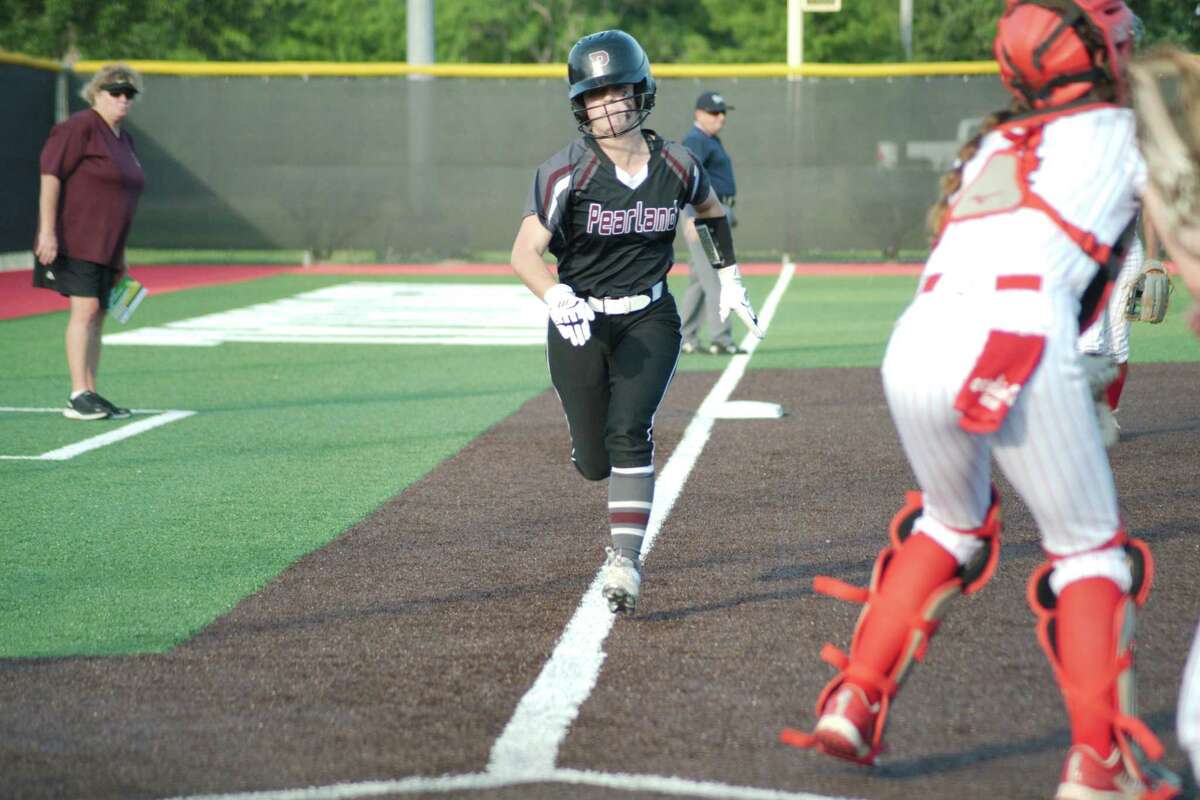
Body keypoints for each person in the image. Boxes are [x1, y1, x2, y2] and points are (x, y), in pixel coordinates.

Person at [779, 2, 1197, 797]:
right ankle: (1100, 764)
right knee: (1087, 553)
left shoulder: (994, 139)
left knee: (951, 522)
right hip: (1020, 340)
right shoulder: (1127, 126)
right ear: (1101, 47)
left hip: (918, 339)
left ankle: (854, 699)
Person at [509, 30, 762, 615]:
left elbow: (710, 209)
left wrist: (728, 277)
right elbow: (524, 253)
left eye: (617, 91)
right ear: (581, 105)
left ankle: (625, 560)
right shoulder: (564, 171)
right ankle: (595, 464)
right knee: (594, 460)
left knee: (630, 429)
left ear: (640, 92)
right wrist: (554, 296)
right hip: (581, 324)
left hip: (649, 317)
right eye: (593, 96)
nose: (607, 106)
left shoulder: (676, 161)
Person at [33, 63, 145, 421]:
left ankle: (92, 392)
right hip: (76, 238)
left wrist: (121, 254)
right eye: (115, 92)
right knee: (83, 311)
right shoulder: (79, 127)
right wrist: (46, 230)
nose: (123, 99)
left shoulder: (124, 139)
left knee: (99, 313)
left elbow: (120, 202)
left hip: (108, 246)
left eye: (129, 94)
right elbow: (50, 176)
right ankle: (78, 393)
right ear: (96, 93)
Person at [679, 91, 743, 356]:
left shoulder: (708, 140)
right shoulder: (696, 140)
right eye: (714, 112)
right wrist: (693, 216)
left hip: (715, 212)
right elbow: (688, 179)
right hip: (704, 215)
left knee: (699, 279)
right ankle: (721, 339)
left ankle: (686, 337)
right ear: (699, 114)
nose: (721, 118)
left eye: (723, 112)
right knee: (717, 276)